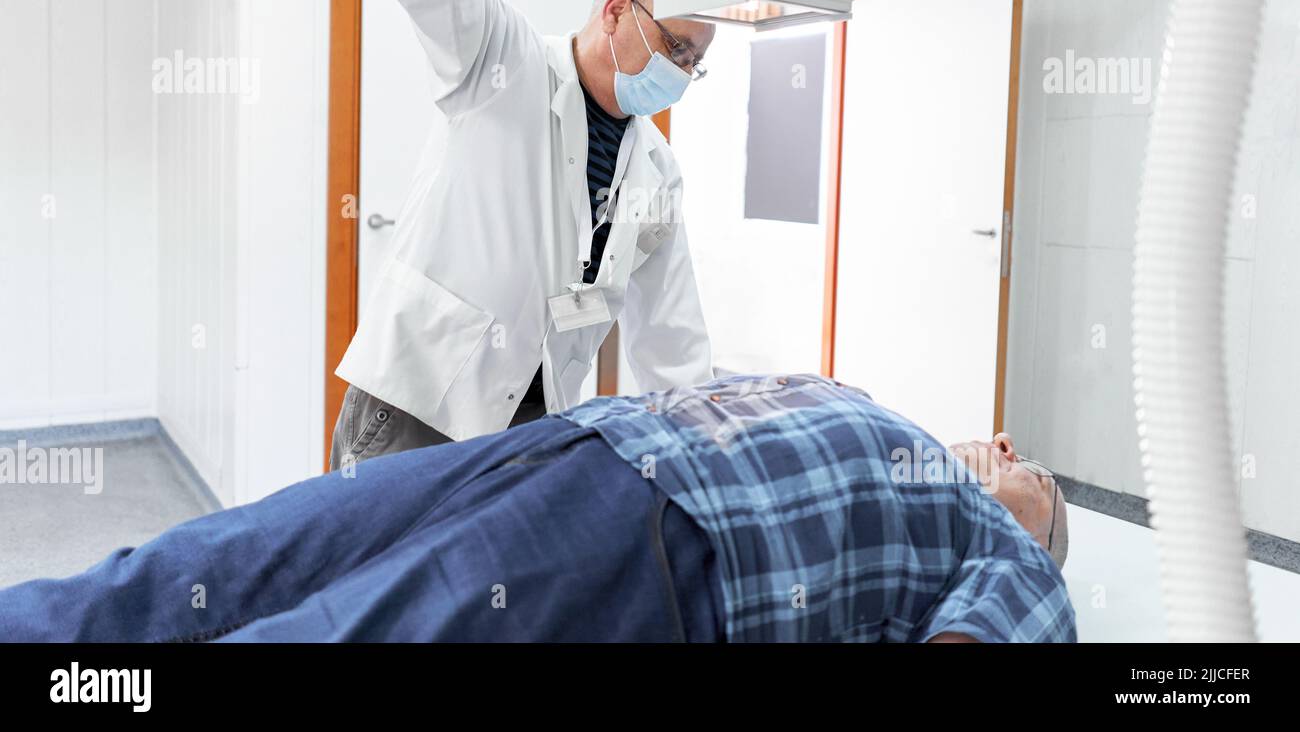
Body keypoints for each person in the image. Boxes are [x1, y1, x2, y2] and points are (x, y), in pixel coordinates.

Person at [0, 375, 1074, 642]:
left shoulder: (1004, 552)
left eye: (1041, 479)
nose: (1012, 455)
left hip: (665, 552)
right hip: (575, 447)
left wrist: (1019, 514)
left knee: (333, 631)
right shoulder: (880, 409)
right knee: (235, 550)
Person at [330, 0, 718, 467]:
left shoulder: (656, 170)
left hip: (535, 424)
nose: (682, 72)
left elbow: (671, 334)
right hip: (422, 404)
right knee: (373, 573)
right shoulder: (500, 63)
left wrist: (709, 450)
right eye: (676, 46)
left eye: (695, 61)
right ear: (617, 11)